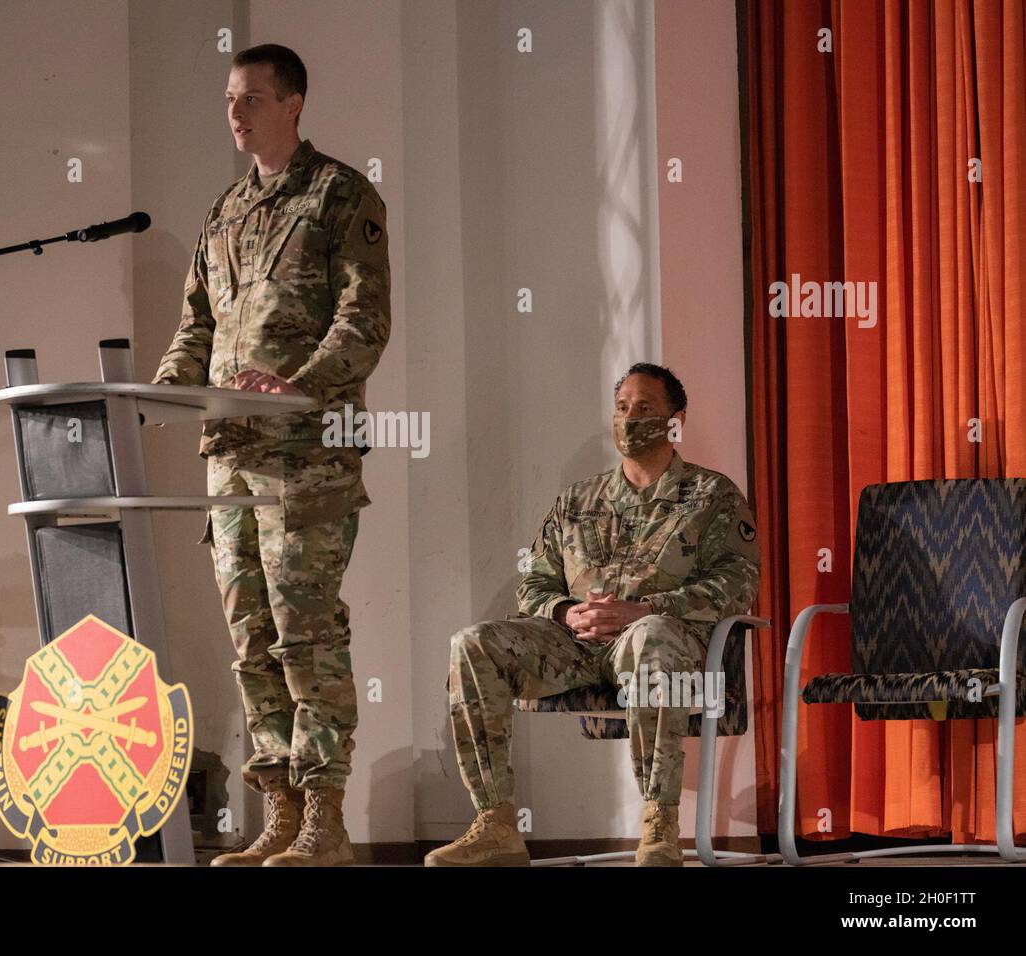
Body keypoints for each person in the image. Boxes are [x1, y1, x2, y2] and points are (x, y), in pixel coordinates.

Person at [152, 43, 390, 867]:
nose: (235, 112)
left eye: (251, 97)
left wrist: (299, 383)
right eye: (229, 98)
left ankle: (327, 818)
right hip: (228, 453)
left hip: (305, 456)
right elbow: (195, 329)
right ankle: (281, 812)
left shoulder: (339, 195)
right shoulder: (223, 214)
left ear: (293, 103)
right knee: (252, 636)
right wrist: (163, 392)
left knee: (305, 632)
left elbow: (364, 320)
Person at [424, 363, 761, 867]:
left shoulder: (711, 496)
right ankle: (495, 824)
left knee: (650, 635)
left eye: (645, 408)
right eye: (622, 407)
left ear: (676, 420)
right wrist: (565, 611)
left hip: (665, 646)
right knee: (472, 642)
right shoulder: (577, 501)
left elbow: (738, 584)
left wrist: (646, 608)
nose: (629, 419)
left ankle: (659, 826)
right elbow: (534, 584)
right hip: (575, 646)